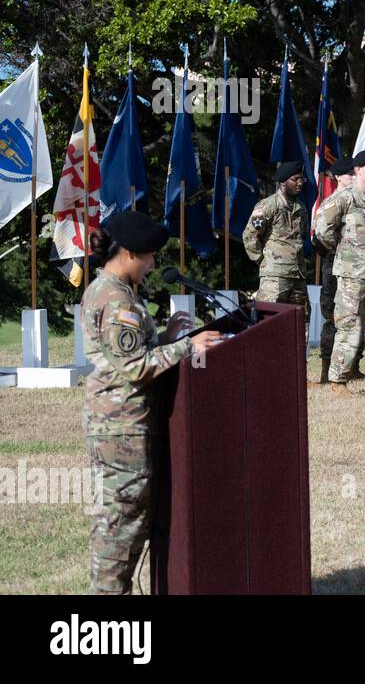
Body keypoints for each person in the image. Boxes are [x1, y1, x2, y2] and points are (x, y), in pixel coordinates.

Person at [82, 211, 222, 594]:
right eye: (150, 257)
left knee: (125, 519)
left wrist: (164, 337)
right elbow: (134, 367)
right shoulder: (115, 299)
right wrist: (186, 346)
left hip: (122, 423)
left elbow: (132, 353)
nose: (153, 265)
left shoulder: (115, 291)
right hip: (121, 428)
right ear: (128, 252)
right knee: (120, 524)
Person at [315, 149, 365, 394]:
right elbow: (321, 231)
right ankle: (338, 381)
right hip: (352, 277)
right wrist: (345, 252)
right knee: (350, 328)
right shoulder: (342, 199)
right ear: (358, 171)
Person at [243, 161, 309, 308]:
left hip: (297, 275)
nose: (300, 183)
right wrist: (262, 261)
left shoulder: (300, 207)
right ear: (283, 182)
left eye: (301, 179)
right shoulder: (268, 206)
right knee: (271, 320)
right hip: (275, 277)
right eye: (295, 179)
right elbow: (250, 236)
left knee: (300, 321)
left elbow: (302, 236)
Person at [316, 157, 354, 383]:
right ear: (338, 177)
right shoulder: (332, 202)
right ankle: (325, 369)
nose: (354, 178)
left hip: (353, 270)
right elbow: (320, 236)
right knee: (332, 318)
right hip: (334, 267)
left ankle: (352, 365)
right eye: (350, 174)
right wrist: (339, 249)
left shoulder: (357, 199)